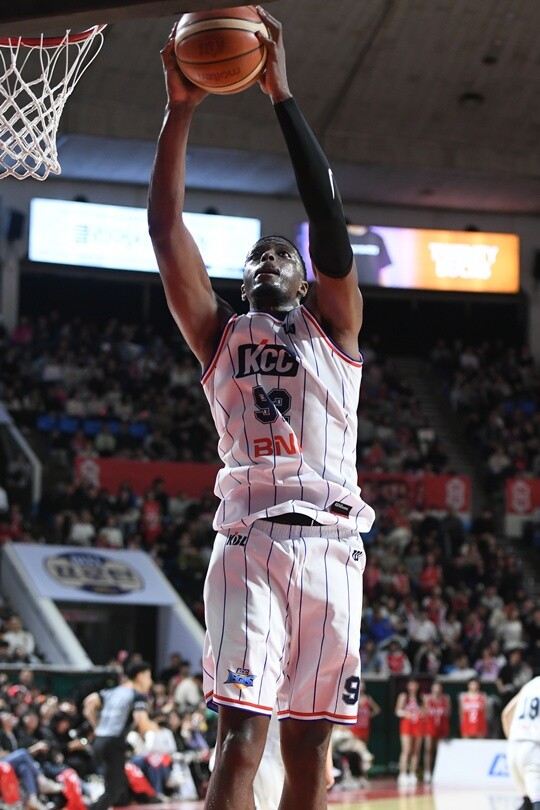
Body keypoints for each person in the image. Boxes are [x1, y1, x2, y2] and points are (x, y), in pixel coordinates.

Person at [147, 6, 375, 809]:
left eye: (282, 252)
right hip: (247, 543)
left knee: (310, 756)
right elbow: (167, 228)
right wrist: (180, 113)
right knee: (239, 741)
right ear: (242, 282)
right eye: (255, 255)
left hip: (335, 552)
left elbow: (330, 219)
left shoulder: (334, 328)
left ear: (306, 278)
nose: (267, 258)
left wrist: (283, 95)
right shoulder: (217, 333)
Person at [83, 660, 154, 810]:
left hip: (100, 741)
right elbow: (141, 722)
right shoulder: (137, 695)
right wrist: (155, 727)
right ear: (140, 676)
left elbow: (89, 703)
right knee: (114, 789)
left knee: (118, 785)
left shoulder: (112, 692)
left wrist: (97, 727)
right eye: (149, 676)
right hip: (114, 742)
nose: (150, 681)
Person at [502, 675, 540, 810]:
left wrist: (512, 738)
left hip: (513, 746)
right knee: (537, 800)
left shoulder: (529, 685)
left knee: (527, 801)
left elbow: (506, 714)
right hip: (533, 747)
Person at [395, 678, 424, 787]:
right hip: (406, 725)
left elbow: (425, 712)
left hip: (418, 725)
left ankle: (413, 773)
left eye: (415, 684)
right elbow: (397, 711)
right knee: (406, 750)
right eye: (411, 684)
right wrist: (406, 713)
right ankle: (402, 773)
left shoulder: (421, 698)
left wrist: (420, 713)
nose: (413, 687)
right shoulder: (403, 697)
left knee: (416, 751)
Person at [422, 680, 450, 784]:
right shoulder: (427, 699)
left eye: (439, 688)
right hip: (430, 726)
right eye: (435, 688)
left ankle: (438, 771)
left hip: (441, 727)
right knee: (428, 749)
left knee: (439, 751)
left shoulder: (445, 699)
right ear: (432, 689)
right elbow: (424, 713)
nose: (437, 690)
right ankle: (427, 772)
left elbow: (448, 713)